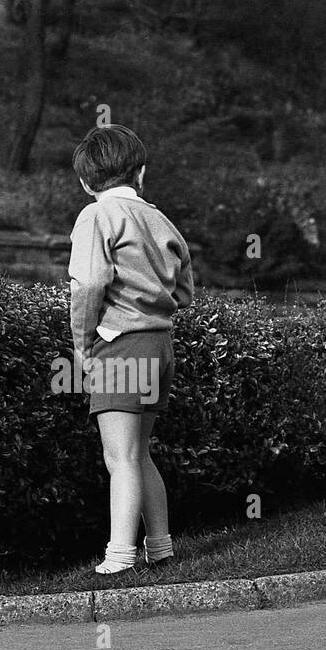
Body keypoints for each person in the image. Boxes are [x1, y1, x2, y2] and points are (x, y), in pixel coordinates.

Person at [68, 124, 194, 575]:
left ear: (85, 182)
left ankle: (119, 556)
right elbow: (184, 291)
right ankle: (160, 548)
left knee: (118, 456)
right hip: (161, 344)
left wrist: (83, 345)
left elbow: (88, 284)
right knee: (140, 453)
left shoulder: (96, 216)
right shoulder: (160, 218)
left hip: (119, 345)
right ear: (141, 172)